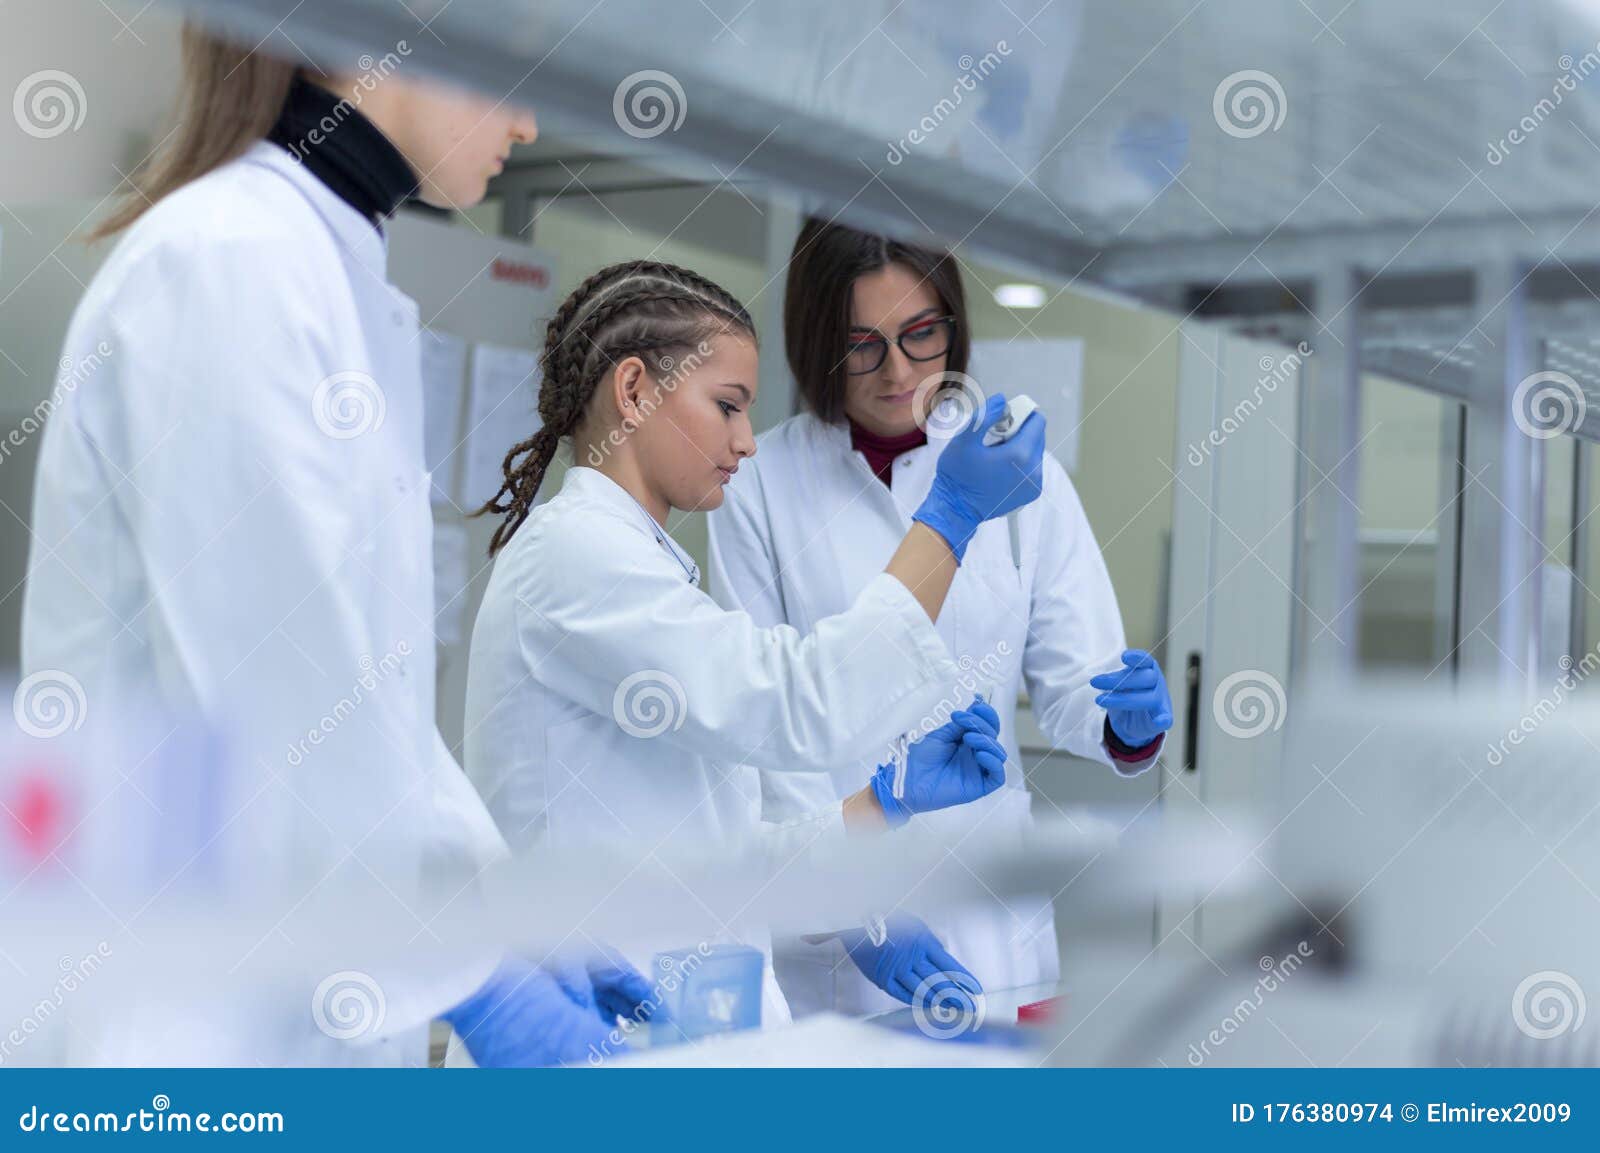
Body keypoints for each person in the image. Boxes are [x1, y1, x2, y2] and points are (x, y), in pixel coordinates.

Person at [20, 25, 626, 1066]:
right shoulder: (232, 259)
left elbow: (366, 705)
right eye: (514, 76)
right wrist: (478, 983)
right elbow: (280, 699)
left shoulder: (325, 261)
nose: (526, 125)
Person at [463, 258, 1047, 1025]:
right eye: (728, 406)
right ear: (634, 391)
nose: (746, 441)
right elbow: (803, 702)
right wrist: (953, 514)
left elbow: (726, 865)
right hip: (598, 1039)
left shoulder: (641, 566)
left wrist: (883, 803)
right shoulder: (577, 558)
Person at [707, 219, 1173, 1016]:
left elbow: (1074, 689)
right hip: (836, 936)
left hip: (989, 911)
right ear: (818, 342)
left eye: (922, 334)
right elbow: (760, 734)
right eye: (863, 345)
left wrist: (1127, 723)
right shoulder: (759, 484)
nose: (898, 371)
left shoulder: (1026, 479)